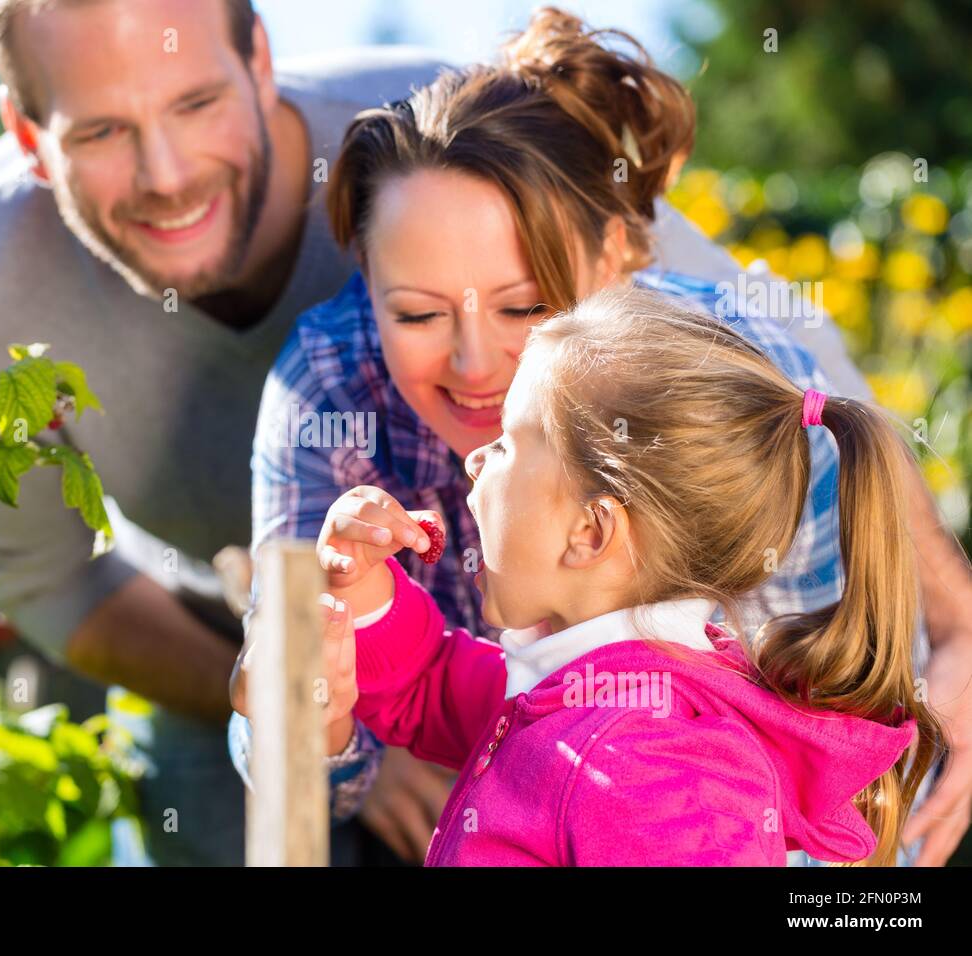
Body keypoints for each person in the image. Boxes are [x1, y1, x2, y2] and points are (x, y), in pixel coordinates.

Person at [230, 8, 972, 866]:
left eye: (526, 305)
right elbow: (433, 682)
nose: (478, 365)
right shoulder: (565, 680)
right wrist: (349, 618)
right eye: (418, 312)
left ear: (617, 258)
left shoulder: (656, 766)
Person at [0, 0, 451, 865]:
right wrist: (287, 703)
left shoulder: (446, 134)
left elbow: (718, 371)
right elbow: (44, 580)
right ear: (26, 134)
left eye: (196, 104)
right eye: (101, 132)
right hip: (214, 647)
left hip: (509, 636)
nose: (166, 175)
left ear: (261, 61)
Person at [305, 284, 944, 865]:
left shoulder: (653, 768)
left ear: (591, 532)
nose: (474, 460)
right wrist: (361, 589)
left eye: (506, 443)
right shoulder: (579, 691)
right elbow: (428, 690)